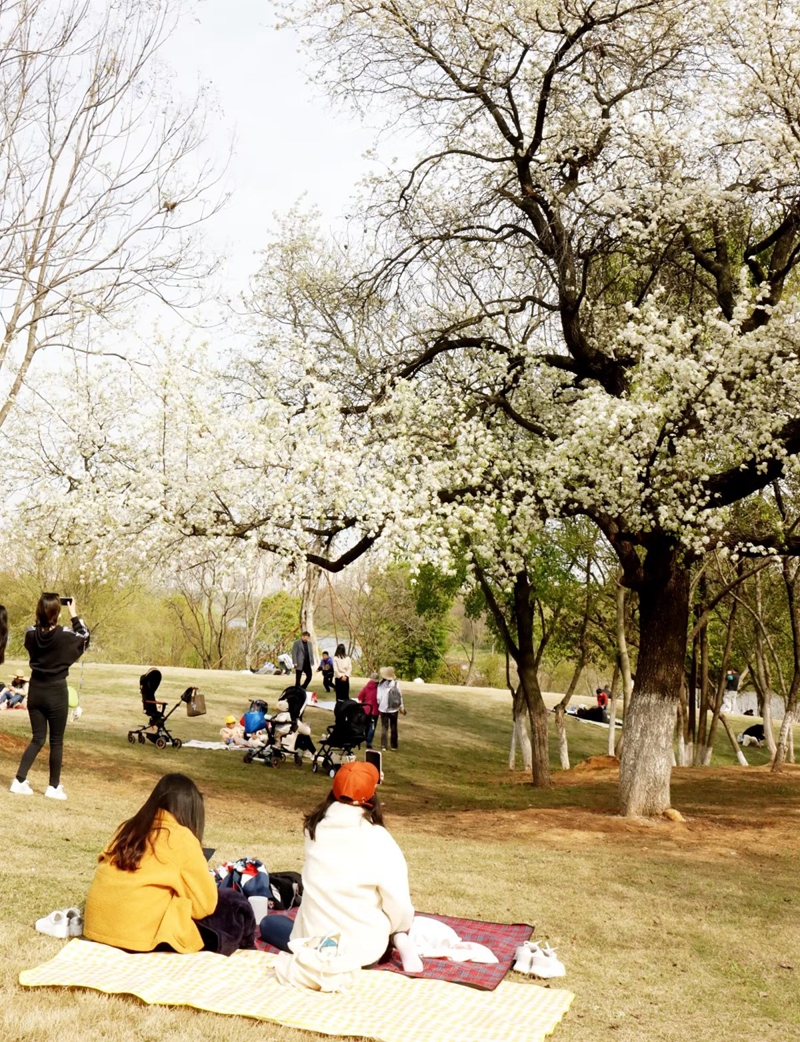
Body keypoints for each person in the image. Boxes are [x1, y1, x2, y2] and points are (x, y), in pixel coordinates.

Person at [259, 761, 416, 990]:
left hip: (314, 945)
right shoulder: (379, 838)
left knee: (268, 923)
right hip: (363, 950)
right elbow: (398, 904)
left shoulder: (314, 829)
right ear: (372, 797)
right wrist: (397, 927)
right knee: (390, 921)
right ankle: (399, 939)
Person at [84, 773, 254, 955]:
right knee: (234, 902)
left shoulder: (126, 828)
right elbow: (205, 906)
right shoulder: (181, 837)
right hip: (138, 937)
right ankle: (249, 947)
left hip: (97, 929)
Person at [10, 594, 89, 800]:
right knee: (56, 741)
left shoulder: (30, 634)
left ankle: (19, 780)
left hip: (36, 690)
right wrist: (74, 614)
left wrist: (43, 619)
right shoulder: (65, 636)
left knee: (37, 738)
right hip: (56, 691)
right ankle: (53, 787)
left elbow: (36, 630)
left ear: (38, 612)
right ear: (58, 613)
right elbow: (85, 637)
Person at [377, 666, 406, 752]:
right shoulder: (396, 684)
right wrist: (401, 706)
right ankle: (394, 745)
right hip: (394, 708)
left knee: (384, 727)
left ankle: (383, 745)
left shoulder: (381, 685)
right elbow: (400, 696)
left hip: (383, 709)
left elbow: (378, 698)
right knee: (394, 727)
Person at [358, 673, 380, 748]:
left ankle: (364, 737)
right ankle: (369, 742)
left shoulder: (366, 687)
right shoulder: (379, 688)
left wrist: (364, 700)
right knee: (372, 726)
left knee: (366, 724)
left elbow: (360, 696)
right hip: (375, 710)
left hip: (366, 709)